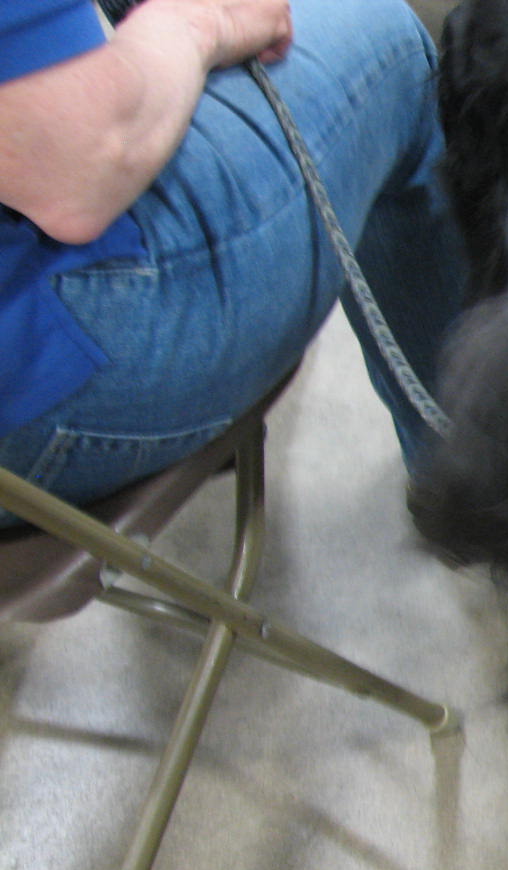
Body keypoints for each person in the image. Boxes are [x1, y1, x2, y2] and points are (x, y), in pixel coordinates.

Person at [0, 0, 463, 527]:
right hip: (36, 400)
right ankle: (477, 483)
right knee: (387, 45)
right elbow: (82, 167)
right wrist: (200, 24)